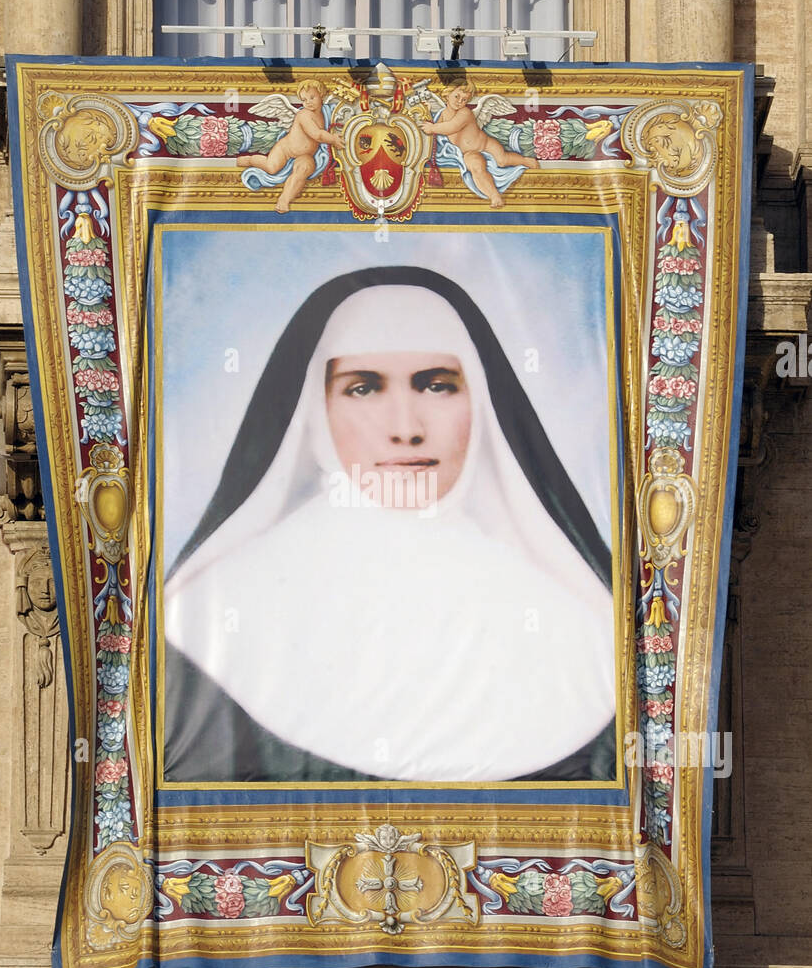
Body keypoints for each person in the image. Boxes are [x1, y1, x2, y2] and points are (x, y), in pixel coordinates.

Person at [163, 266, 616, 783]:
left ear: (482, 401)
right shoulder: (207, 620)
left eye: (437, 386)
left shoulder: (580, 624)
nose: (406, 429)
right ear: (313, 408)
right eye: (362, 388)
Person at [421, 83, 539, 207]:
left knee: (502, 160)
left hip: (486, 144)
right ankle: (494, 196)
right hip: (468, 153)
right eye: (456, 97)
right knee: (477, 168)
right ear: (447, 94)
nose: (459, 101)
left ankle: (526, 161)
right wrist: (427, 112)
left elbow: (452, 127)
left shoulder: (465, 113)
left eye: (464, 99)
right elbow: (433, 129)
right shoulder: (442, 114)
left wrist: (433, 128)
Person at [236, 79, 344, 214]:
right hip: (285, 150)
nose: (308, 102)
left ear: (321, 95)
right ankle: (249, 160)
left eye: (312, 97)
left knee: (304, 168)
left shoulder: (324, 114)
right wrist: (333, 139)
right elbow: (317, 135)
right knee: (271, 167)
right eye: (304, 100)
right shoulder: (304, 114)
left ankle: (284, 199)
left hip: (306, 155)